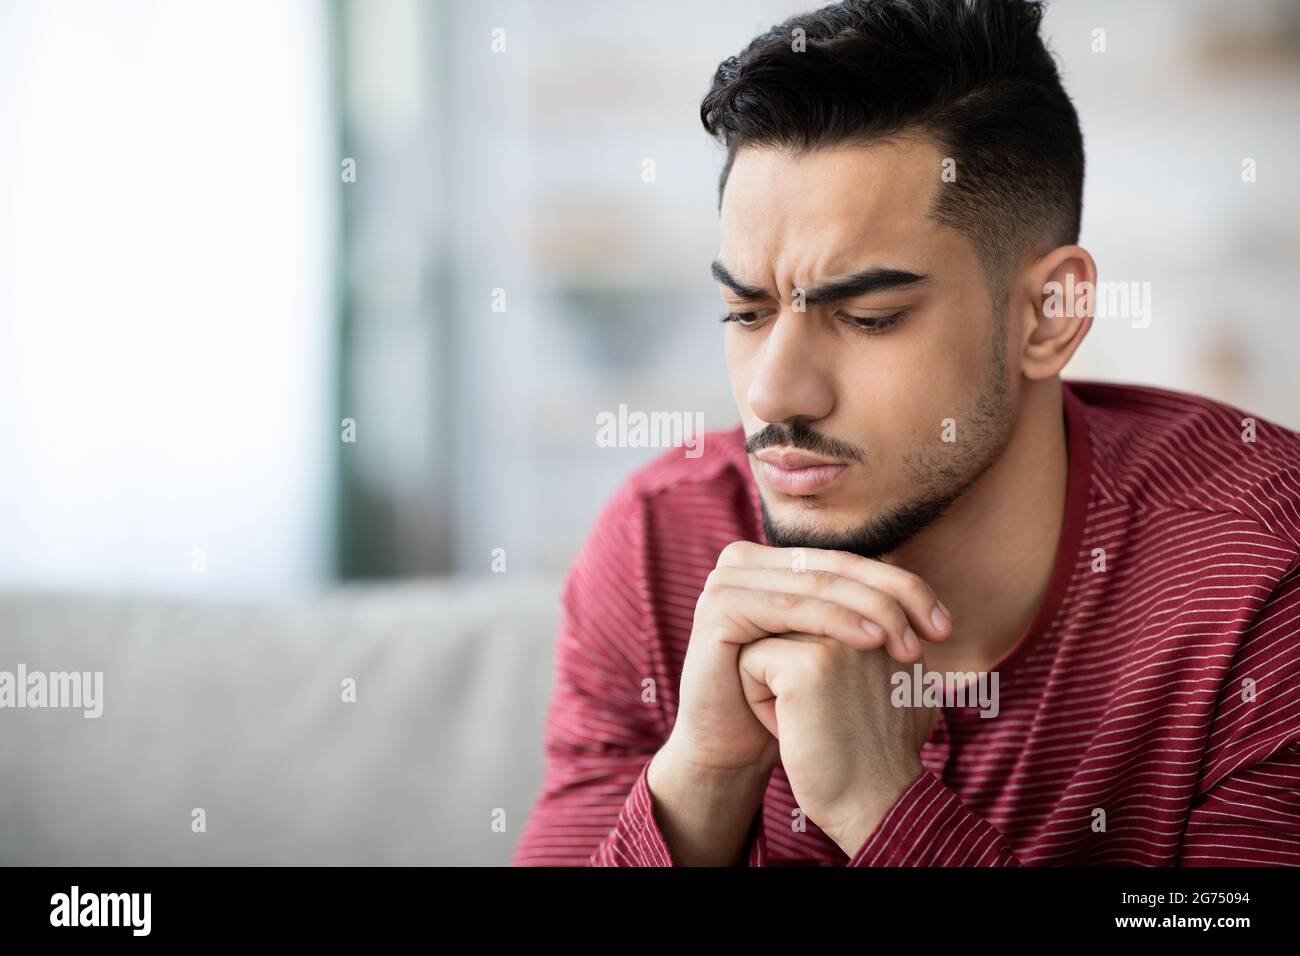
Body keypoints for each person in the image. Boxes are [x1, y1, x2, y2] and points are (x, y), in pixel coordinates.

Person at [513, 0, 1300, 866]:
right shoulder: (662, 545)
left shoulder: (1262, 585)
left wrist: (879, 806)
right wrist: (700, 782)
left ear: (1049, 314)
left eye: (869, 317)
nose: (774, 393)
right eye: (745, 310)